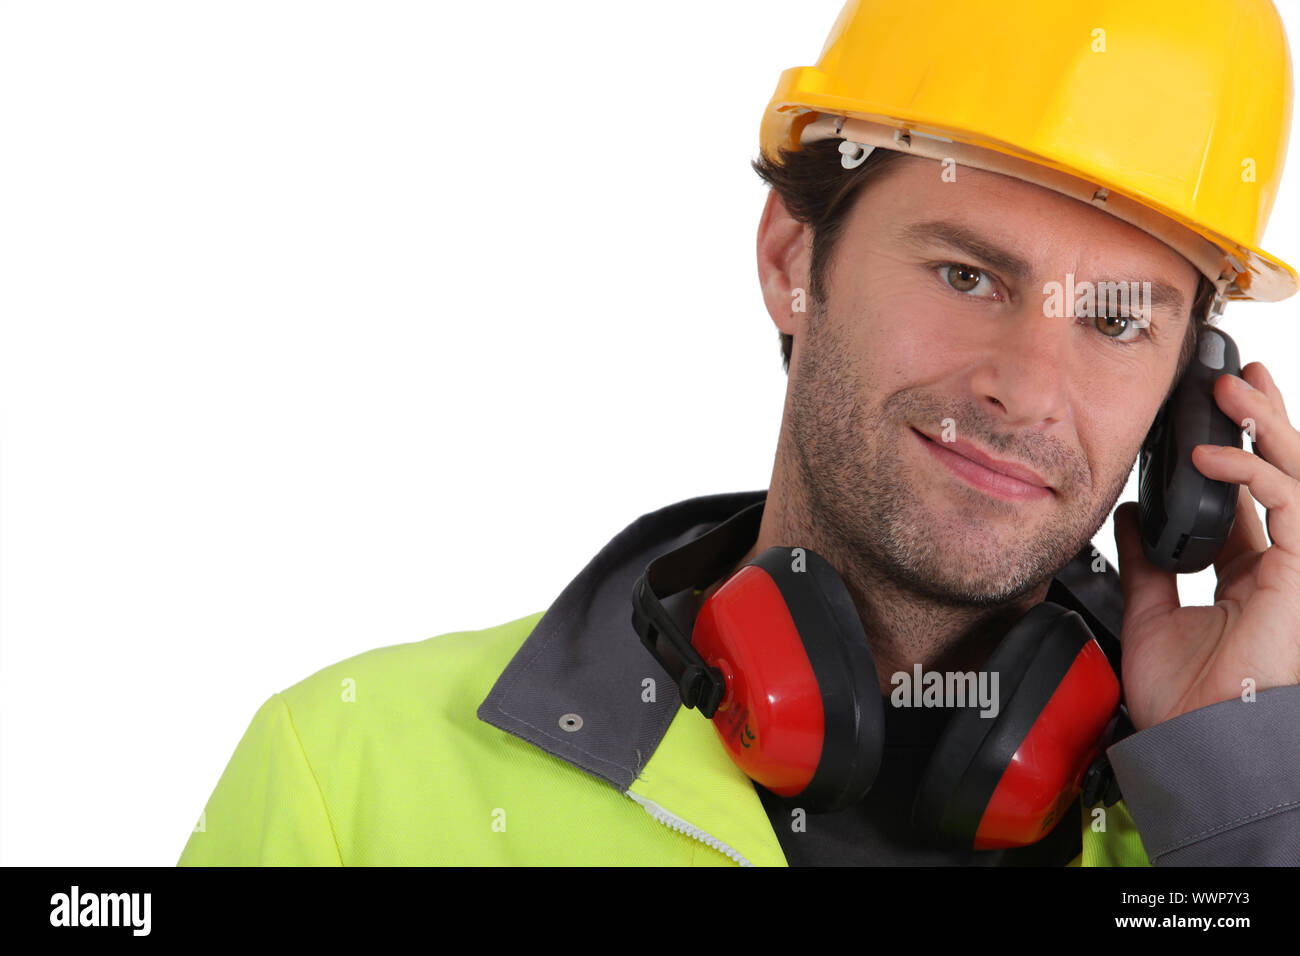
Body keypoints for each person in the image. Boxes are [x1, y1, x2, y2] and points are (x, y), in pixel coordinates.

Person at [178, 0, 1300, 866]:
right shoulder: (354, 778)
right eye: (966, 273)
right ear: (790, 261)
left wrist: (1238, 781)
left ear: (1189, 398)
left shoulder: (1217, 823)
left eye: (1114, 321)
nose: (1027, 389)